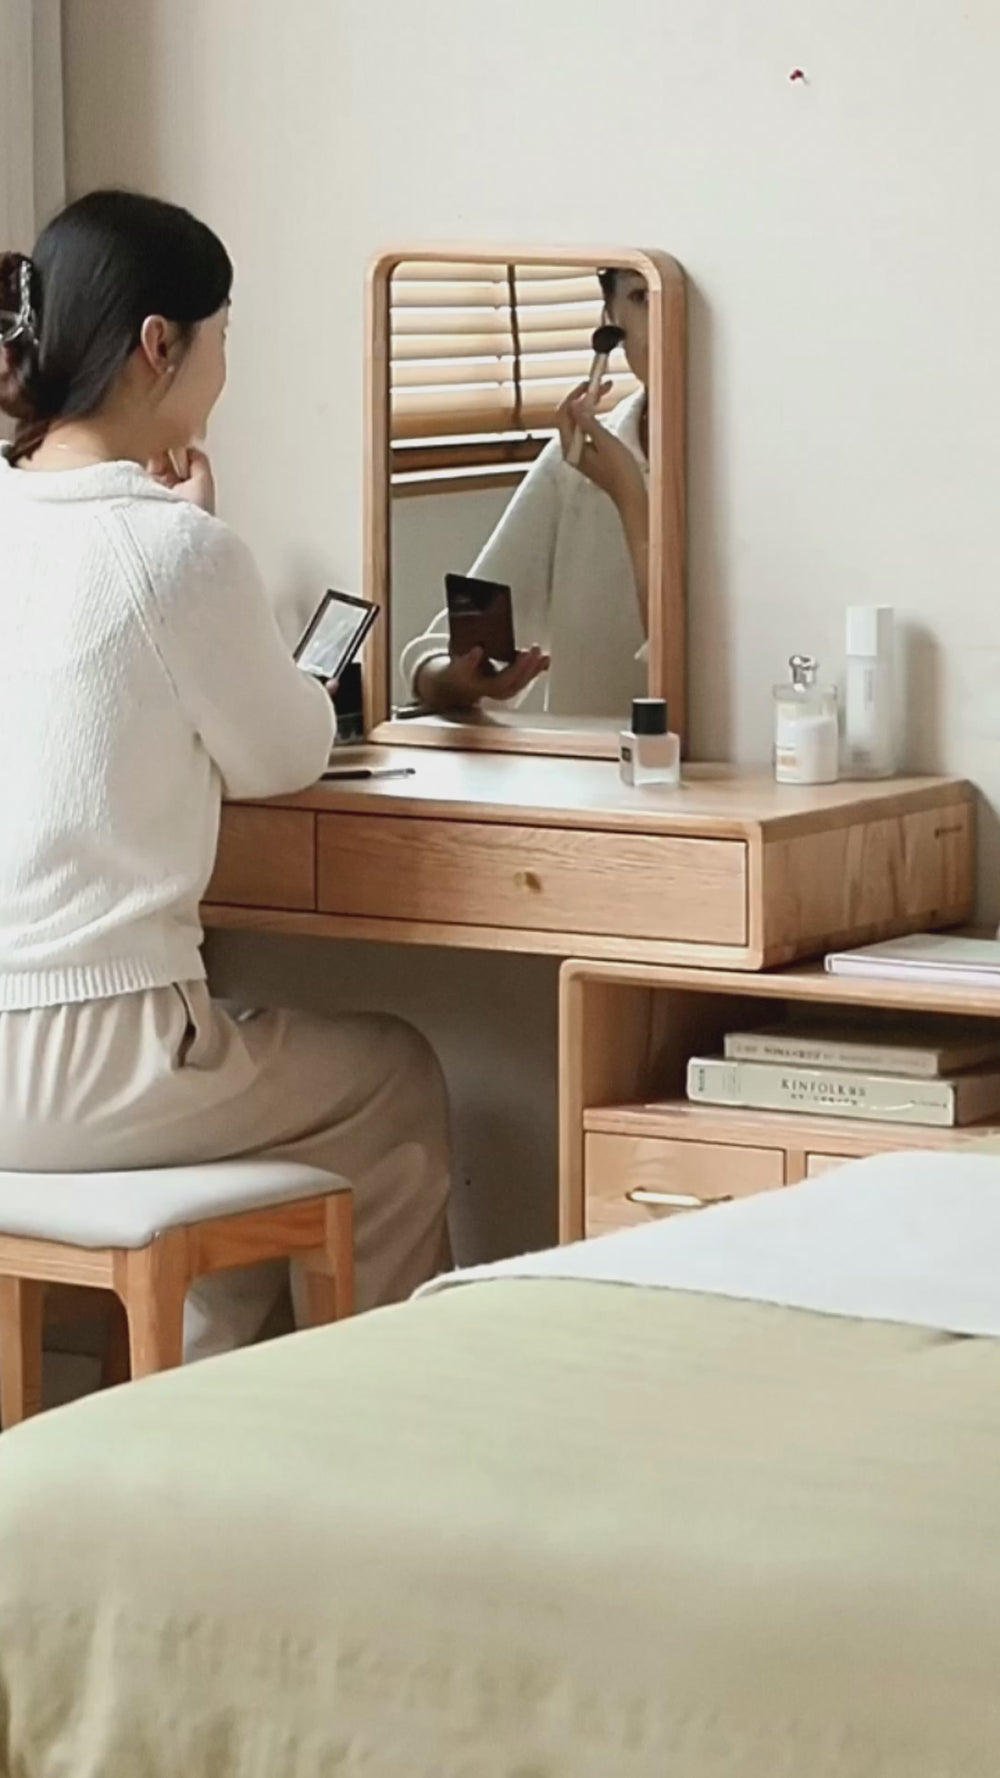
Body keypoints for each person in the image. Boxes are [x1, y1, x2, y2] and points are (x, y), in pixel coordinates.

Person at [0, 190, 450, 1360]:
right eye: (223, 338)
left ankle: (203, 1404)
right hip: (87, 1066)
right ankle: (388, 1409)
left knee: (248, 1113)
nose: (223, 369)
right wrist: (202, 536)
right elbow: (285, 751)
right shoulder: (170, 549)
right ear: (161, 343)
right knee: (393, 1076)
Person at [399, 267, 651, 719]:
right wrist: (457, 678)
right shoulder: (576, 461)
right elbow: (443, 652)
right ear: (611, 317)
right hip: (586, 763)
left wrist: (630, 497)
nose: (664, 323)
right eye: (641, 298)